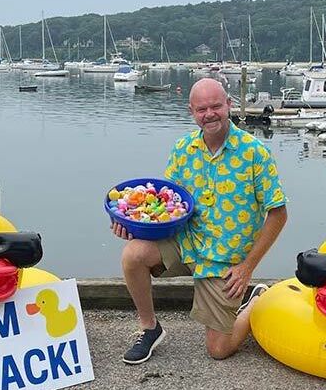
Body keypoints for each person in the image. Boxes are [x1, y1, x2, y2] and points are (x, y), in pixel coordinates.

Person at [113, 78, 288, 363]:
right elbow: (167, 207)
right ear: (192, 111)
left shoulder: (255, 152)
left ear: (229, 105)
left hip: (225, 258)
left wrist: (247, 267)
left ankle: (256, 300)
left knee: (219, 350)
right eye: (201, 109)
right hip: (187, 243)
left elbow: (278, 213)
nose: (209, 114)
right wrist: (132, 226)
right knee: (133, 254)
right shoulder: (182, 149)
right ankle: (150, 328)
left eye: (216, 106)